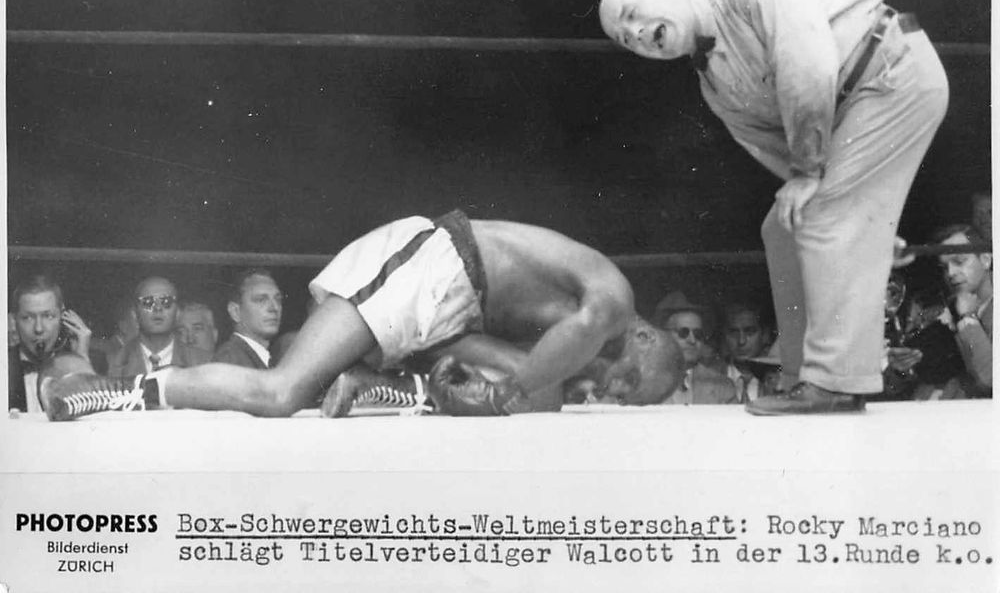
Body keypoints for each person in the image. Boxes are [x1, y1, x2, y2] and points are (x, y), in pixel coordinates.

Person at [599, 0, 948, 414]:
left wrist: (821, 189)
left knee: (822, 214)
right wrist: (860, 218)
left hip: (890, 73)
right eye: (628, 39)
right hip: (850, 114)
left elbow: (810, 62)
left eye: (632, 14)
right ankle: (801, 374)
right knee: (787, 225)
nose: (639, 34)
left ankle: (836, 383)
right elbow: (779, 152)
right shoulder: (713, 85)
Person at [41, 210, 638, 420]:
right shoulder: (612, 299)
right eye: (637, 375)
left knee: (546, 397)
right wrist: (502, 391)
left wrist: (505, 390)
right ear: (644, 335)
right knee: (280, 394)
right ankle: (120, 389)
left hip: (454, 311)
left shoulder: (586, 339)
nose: (623, 387)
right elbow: (583, 332)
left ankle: (384, 386)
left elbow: (546, 371)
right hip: (437, 266)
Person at [8, 273, 93, 412]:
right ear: (14, 320)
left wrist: (80, 361)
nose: (39, 329)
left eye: (48, 316)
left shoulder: (85, 360)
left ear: (62, 316)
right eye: (27, 318)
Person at [106, 276, 212, 375]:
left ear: (177, 313)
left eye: (166, 302)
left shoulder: (205, 363)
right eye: (148, 302)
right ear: (134, 314)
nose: (157, 308)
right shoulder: (112, 363)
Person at [934, 223, 992, 397]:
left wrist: (968, 319)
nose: (951, 273)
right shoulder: (946, 312)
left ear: (986, 260)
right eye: (944, 267)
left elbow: (992, 380)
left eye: (959, 261)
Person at [213, 269, 283, 369]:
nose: (274, 308)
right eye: (261, 300)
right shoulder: (230, 360)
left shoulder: (246, 357)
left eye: (278, 299)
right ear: (235, 311)